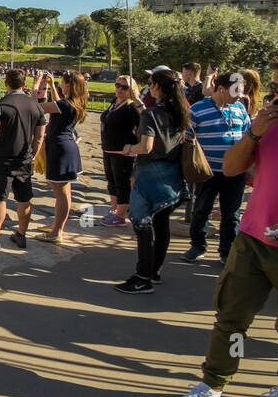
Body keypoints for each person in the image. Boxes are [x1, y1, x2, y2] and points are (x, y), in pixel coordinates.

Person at [158, 51, 278, 397]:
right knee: (230, 319)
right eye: (275, 89)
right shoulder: (267, 123)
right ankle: (212, 390)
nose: (277, 97)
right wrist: (253, 133)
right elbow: (231, 167)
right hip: (253, 240)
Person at [115, 67, 190, 293]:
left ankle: (142, 276)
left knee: (142, 225)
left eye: (151, 83)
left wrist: (129, 147)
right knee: (161, 223)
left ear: (157, 87)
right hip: (173, 176)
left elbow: (146, 147)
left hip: (150, 175)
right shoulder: (181, 112)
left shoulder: (151, 114)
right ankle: (154, 270)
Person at [184, 72, 252, 263]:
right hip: (208, 172)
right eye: (236, 90)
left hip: (236, 172)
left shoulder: (239, 109)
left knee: (231, 214)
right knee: (201, 209)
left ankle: (226, 252)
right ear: (221, 89)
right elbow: (186, 137)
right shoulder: (198, 109)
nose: (240, 95)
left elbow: (247, 135)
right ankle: (198, 246)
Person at [0, 69, 46, 251]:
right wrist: (33, 156)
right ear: (24, 84)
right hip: (24, 158)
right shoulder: (35, 105)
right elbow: (39, 137)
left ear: (6, 84)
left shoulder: (0, 105)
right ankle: (21, 234)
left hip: (2, 159)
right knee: (24, 198)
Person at [32, 71, 87, 243]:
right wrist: (50, 84)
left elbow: (35, 108)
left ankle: (57, 232)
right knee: (64, 193)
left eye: (63, 83)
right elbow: (57, 103)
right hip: (65, 148)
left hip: (60, 150)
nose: (61, 86)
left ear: (69, 85)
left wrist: (36, 85)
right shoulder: (71, 103)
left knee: (61, 194)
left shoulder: (64, 105)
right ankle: (58, 225)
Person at [99, 76, 145, 226]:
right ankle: (114, 210)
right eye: (117, 85)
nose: (119, 89)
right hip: (109, 148)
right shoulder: (114, 102)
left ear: (132, 90)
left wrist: (137, 100)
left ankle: (120, 215)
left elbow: (145, 122)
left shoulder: (132, 107)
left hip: (123, 151)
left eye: (124, 87)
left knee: (122, 183)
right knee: (111, 182)